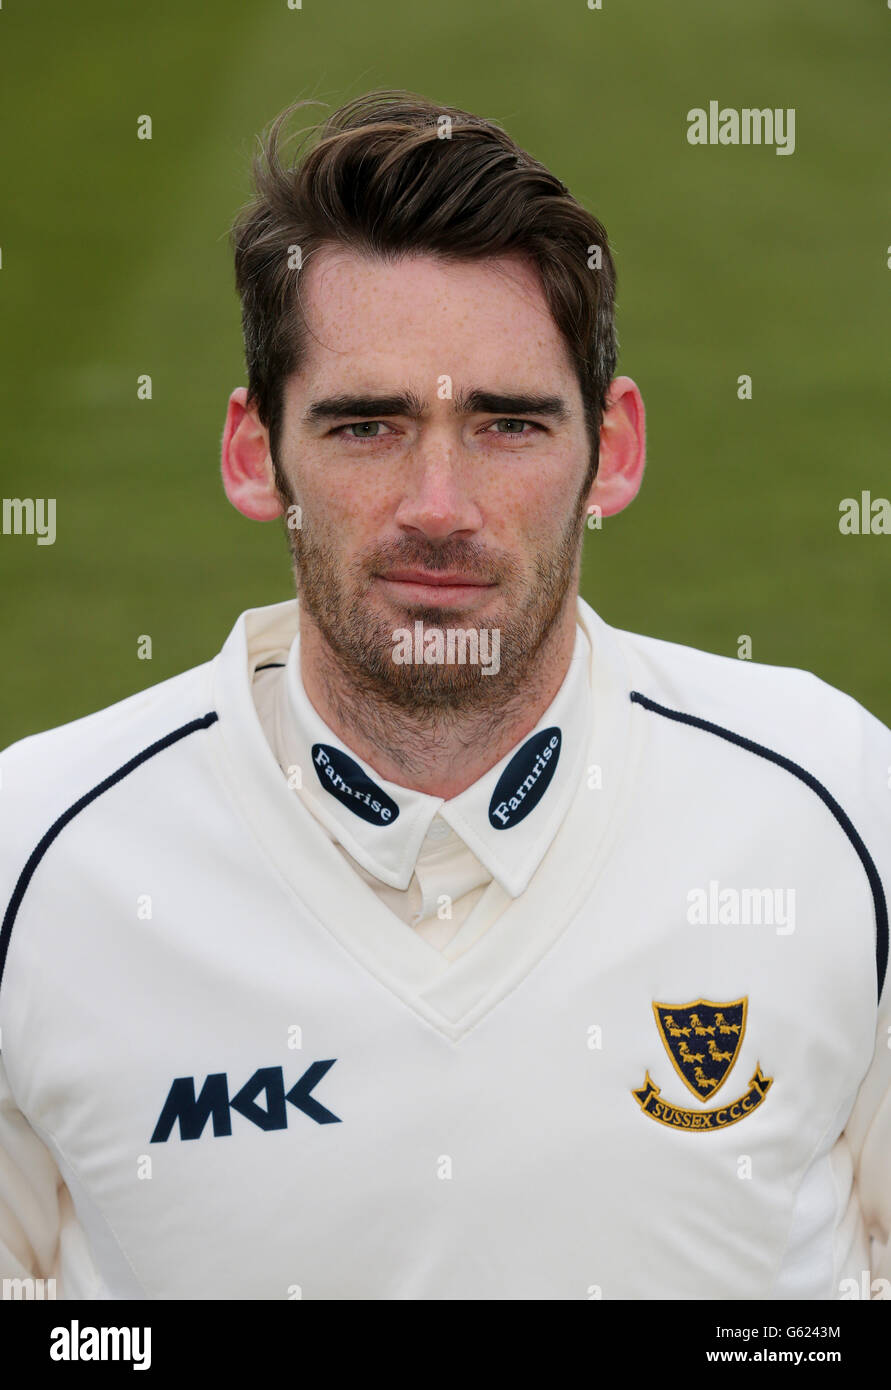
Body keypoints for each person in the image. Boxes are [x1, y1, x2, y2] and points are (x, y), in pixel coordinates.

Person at [0, 90, 887, 1301]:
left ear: (612, 451)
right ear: (255, 453)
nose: (438, 505)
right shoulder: (36, 858)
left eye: (508, 423)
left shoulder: (838, 805)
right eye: (367, 425)